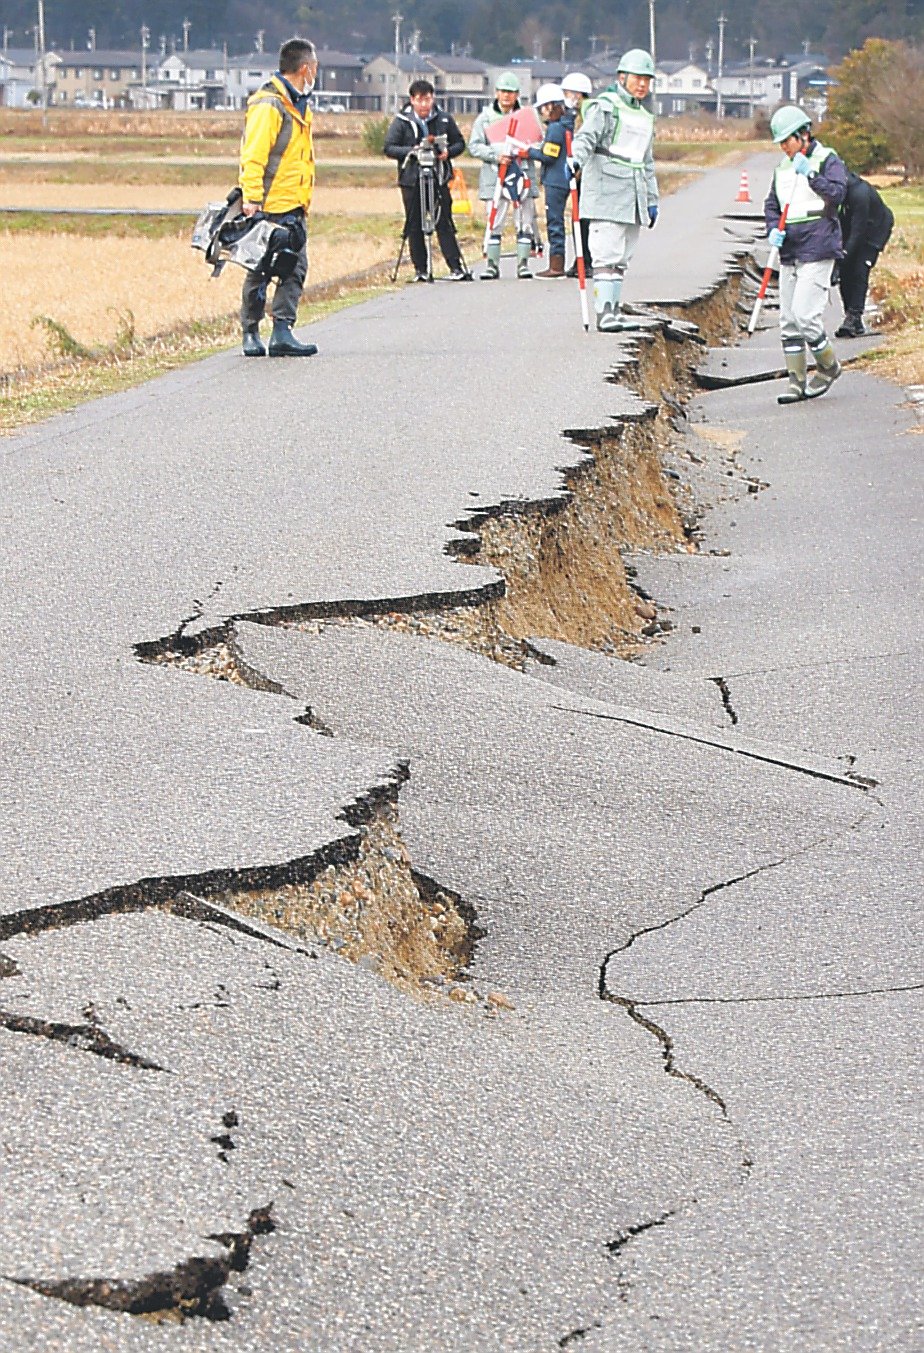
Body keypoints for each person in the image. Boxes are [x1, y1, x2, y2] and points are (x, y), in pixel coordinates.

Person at [238, 36, 318, 357]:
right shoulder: (268, 104)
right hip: (268, 204)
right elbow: (253, 155)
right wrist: (251, 199)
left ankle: (282, 330)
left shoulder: (298, 104)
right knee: (259, 267)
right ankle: (251, 331)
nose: (315, 74)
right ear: (304, 68)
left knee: (294, 266)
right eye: (314, 68)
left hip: (294, 203)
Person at [570, 49, 659, 332]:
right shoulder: (605, 107)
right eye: (637, 78)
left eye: (647, 79)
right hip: (606, 191)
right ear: (622, 77)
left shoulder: (645, 117)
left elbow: (646, 162)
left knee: (622, 256)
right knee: (606, 253)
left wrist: (652, 199)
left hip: (633, 195)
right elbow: (585, 138)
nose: (642, 84)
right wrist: (574, 161)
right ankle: (604, 311)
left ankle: (615, 310)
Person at [764, 105, 847, 402]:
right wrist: (773, 227)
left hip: (819, 245)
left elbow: (837, 193)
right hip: (790, 249)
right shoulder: (782, 168)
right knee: (788, 319)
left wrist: (811, 173)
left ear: (804, 135)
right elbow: (772, 204)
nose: (784, 148)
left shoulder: (828, 160)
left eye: (788, 141)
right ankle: (795, 382)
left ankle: (828, 366)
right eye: (781, 143)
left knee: (805, 315)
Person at [383, 79, 470, 282]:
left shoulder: (444, 119)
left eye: (428, 99)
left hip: (439, 177)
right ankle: (420, 270)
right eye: (420, 100)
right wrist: (412, 152)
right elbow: (389, 147)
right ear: (412, 100)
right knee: (414, 224)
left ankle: (455, 267)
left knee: (444, 221)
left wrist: (447, 152)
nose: (424, 105)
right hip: (412, 180)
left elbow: (460, 143)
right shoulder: (402, 121)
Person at [468, 70, 540, 280]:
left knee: (524, 221)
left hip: (522, 175)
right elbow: (474, 146)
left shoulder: (528, 117)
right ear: (496, 93)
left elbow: (539, 143)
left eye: (511, 92)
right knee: (494, 221)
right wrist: (495, 155)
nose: (507, 96)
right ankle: (492, 265)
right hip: (495, 177)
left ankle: (523, 264)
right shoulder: (485, 118)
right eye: (503, 91)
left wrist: (526, 151)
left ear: (517, 94)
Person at [835, 170, 894, 337]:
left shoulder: (859, 193)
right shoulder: (834, 192)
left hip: (875, 229)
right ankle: (852, 319)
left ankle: (854, 315)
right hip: (852, 227)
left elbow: (858, 232)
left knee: (860, 269)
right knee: (845, 274)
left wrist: (844, 256)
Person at [528, 84, 569, 279]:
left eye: (543, 107)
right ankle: (559, 262)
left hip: (555, 180)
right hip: (562, 178)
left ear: (551, 106)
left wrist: (528, 152)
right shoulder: (565, 125)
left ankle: (556, 265)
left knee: (554, 221)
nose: (542, 112)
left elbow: (549, 155)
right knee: (557, 221)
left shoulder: (555, 129)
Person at [561, 71, 593, 277]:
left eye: (568, 93)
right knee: (579, 220)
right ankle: (581, 260)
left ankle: (586, 261)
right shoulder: (576, 115)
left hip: (587, 176)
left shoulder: (589, 114)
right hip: (580, 175)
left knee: (583, 220)